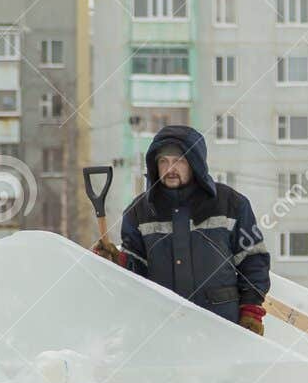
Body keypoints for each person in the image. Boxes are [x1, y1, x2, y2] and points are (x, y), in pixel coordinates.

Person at [94, 124, 271, 334]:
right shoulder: (139, 211)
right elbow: (136, 275)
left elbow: (253, 262)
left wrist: (251, 312)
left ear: (194, 164)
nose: (170, 169)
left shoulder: (231, 205)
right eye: (163, 161)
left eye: (179, 161)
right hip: (163, 332)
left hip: (222, 328)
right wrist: (115, 263)